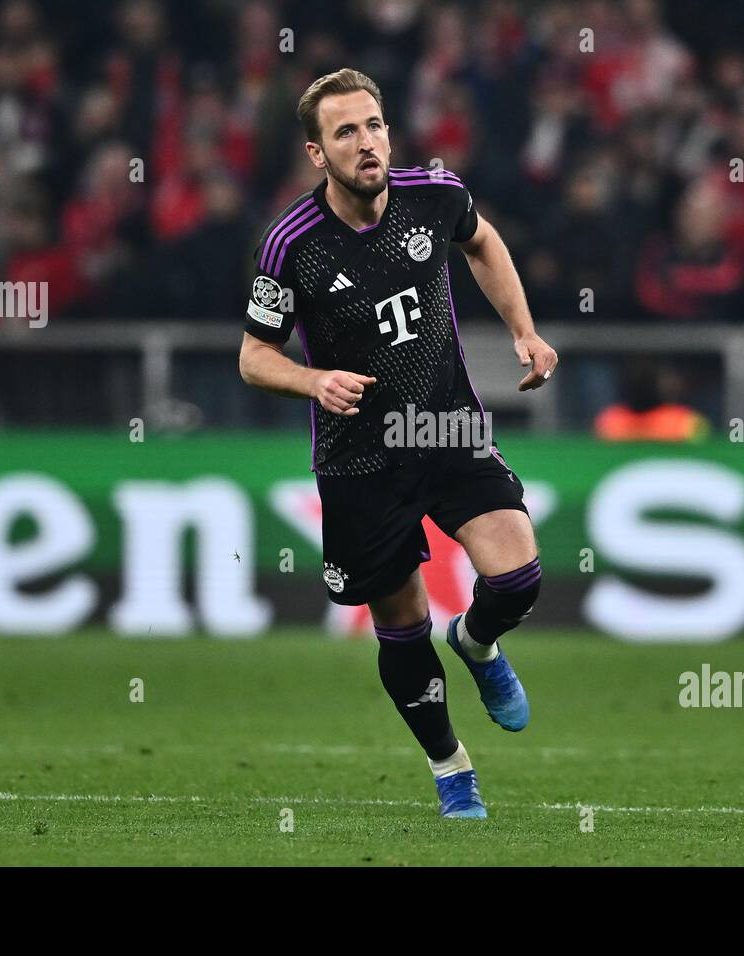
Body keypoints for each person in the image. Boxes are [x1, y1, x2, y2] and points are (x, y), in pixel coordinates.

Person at [237, 68, 557, 819]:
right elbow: (254, 356)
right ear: (318, 154)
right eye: (345, 132)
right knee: (401, 625)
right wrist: (312, 382)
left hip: (444, 426)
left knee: (519, 579)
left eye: (374, 125)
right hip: (360, 461)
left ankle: (477, 643)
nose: (367, 142)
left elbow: (482, 243)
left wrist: (523, 329)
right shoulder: (292, 246)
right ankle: (451, 769)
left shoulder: (436, 195)